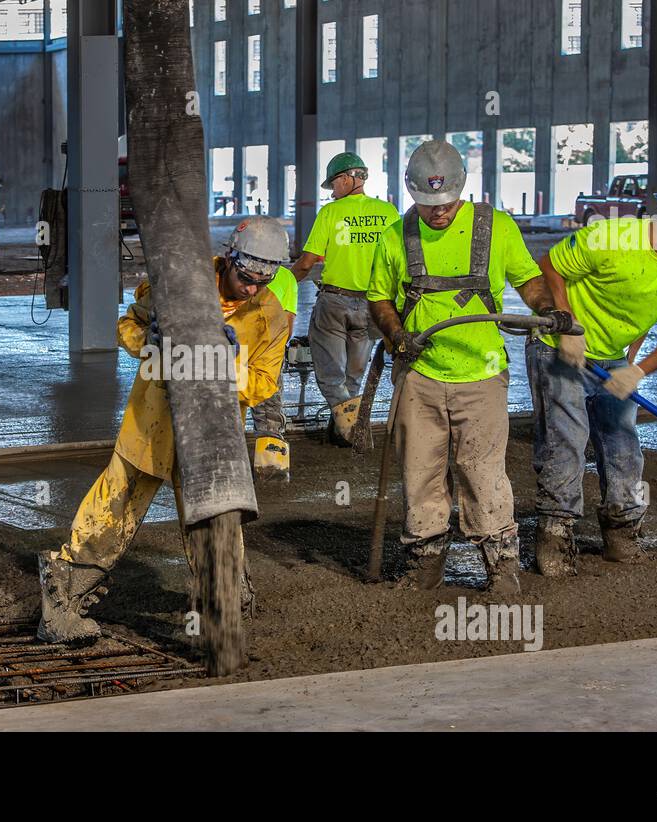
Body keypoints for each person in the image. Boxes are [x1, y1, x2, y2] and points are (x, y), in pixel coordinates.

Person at [37, 217, 292, 644]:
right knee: (110, 514)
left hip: (213, 439)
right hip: (152, 424)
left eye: (261, 282)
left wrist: (225, 365)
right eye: (245, 278)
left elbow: (265, 382)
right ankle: (61, 603)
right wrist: (151, 340)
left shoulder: (269, 316)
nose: (251, 289)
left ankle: (223, 611)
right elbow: (128, 326)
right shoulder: (179, 284)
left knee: (214, 527)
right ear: (229, 259)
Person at [367, 140, 571, 594]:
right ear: (410, 192)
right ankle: (425, 562)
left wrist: (548, 309)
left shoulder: (496, 228)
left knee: (482, 473)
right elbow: (378, 297)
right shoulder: (393, 236)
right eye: (426, 203)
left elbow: (528, 279)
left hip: (481, 374)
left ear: (461, 187)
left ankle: (501, 566)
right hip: (418, 377)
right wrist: (397, 334)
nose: (437, 213)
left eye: (445, 203)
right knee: (419, 472)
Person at [527, 177, 657, 574]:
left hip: (613, 357)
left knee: (623, 444)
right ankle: (556, 537)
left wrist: (636, 370)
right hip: (560, 349)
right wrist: (567, 325)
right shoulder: (611, 237)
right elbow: (549, 265)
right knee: (567, 441)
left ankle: (622, 532)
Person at [290, 152, 399, 445]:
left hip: (335, 304)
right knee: (353, 376)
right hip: (375, 305)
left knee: (329, 374)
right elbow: (399, 261)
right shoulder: (388, 212)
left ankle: (355, 430)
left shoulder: (330, 213)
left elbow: (306, 263)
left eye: (334, 182)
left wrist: (278, 286)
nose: (333, 190)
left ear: (350, 178)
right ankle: (342, 431)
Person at [248, 264, 298, 481]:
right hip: (266, 355)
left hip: (232, 350)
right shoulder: (286, 276)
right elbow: (287, 325)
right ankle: (270, 469)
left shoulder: (231, 272)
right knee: (269, 412)